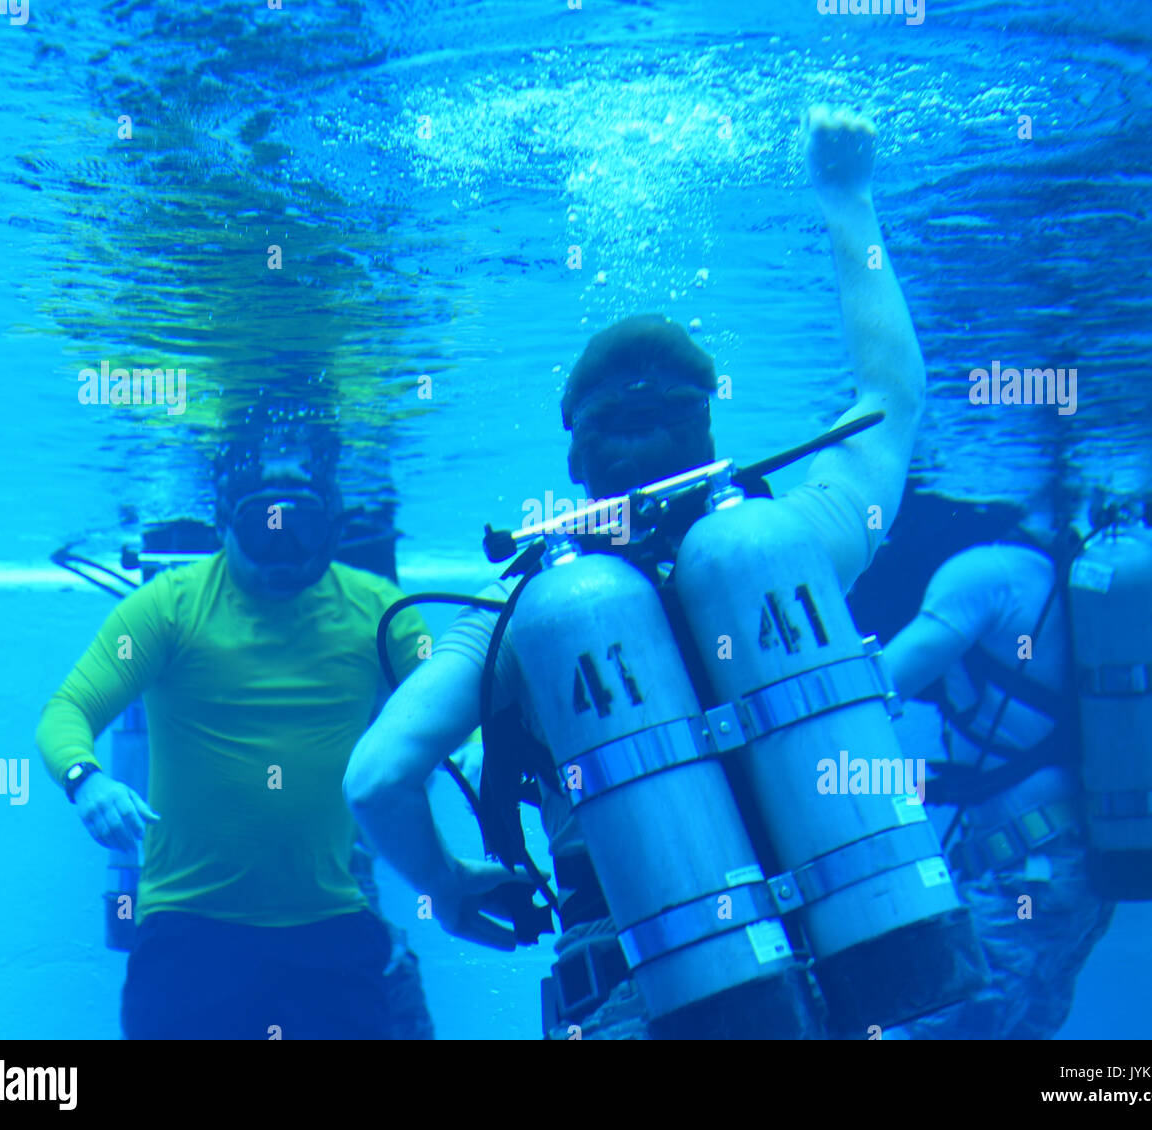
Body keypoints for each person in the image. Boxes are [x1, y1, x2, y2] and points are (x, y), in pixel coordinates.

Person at [345, 104, 930, 1039]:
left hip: (630, 1000)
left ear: (578, 462)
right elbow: (891, 402)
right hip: (831, 971)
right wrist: (847, 200)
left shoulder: (520, 612)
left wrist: (451, 891)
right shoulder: (791, 542)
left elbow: (376, 779)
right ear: (708, 431)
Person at [36, 424, 436, 1039]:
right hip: (188, 929)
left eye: (302, 530)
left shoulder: (379, 610)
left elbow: (453, 710)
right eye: (263, 530)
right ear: (224, 523)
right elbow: (67, 710)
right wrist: (84, 780)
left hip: (329, 923)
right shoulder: (169, 606)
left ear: (332, 526)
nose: (284, 556)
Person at [879, 483, 1117, 1039]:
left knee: (947, 1027)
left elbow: (873, 690)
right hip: (1073, 867)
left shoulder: (980, 575)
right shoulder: (1048, 567)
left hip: (1027, 874)